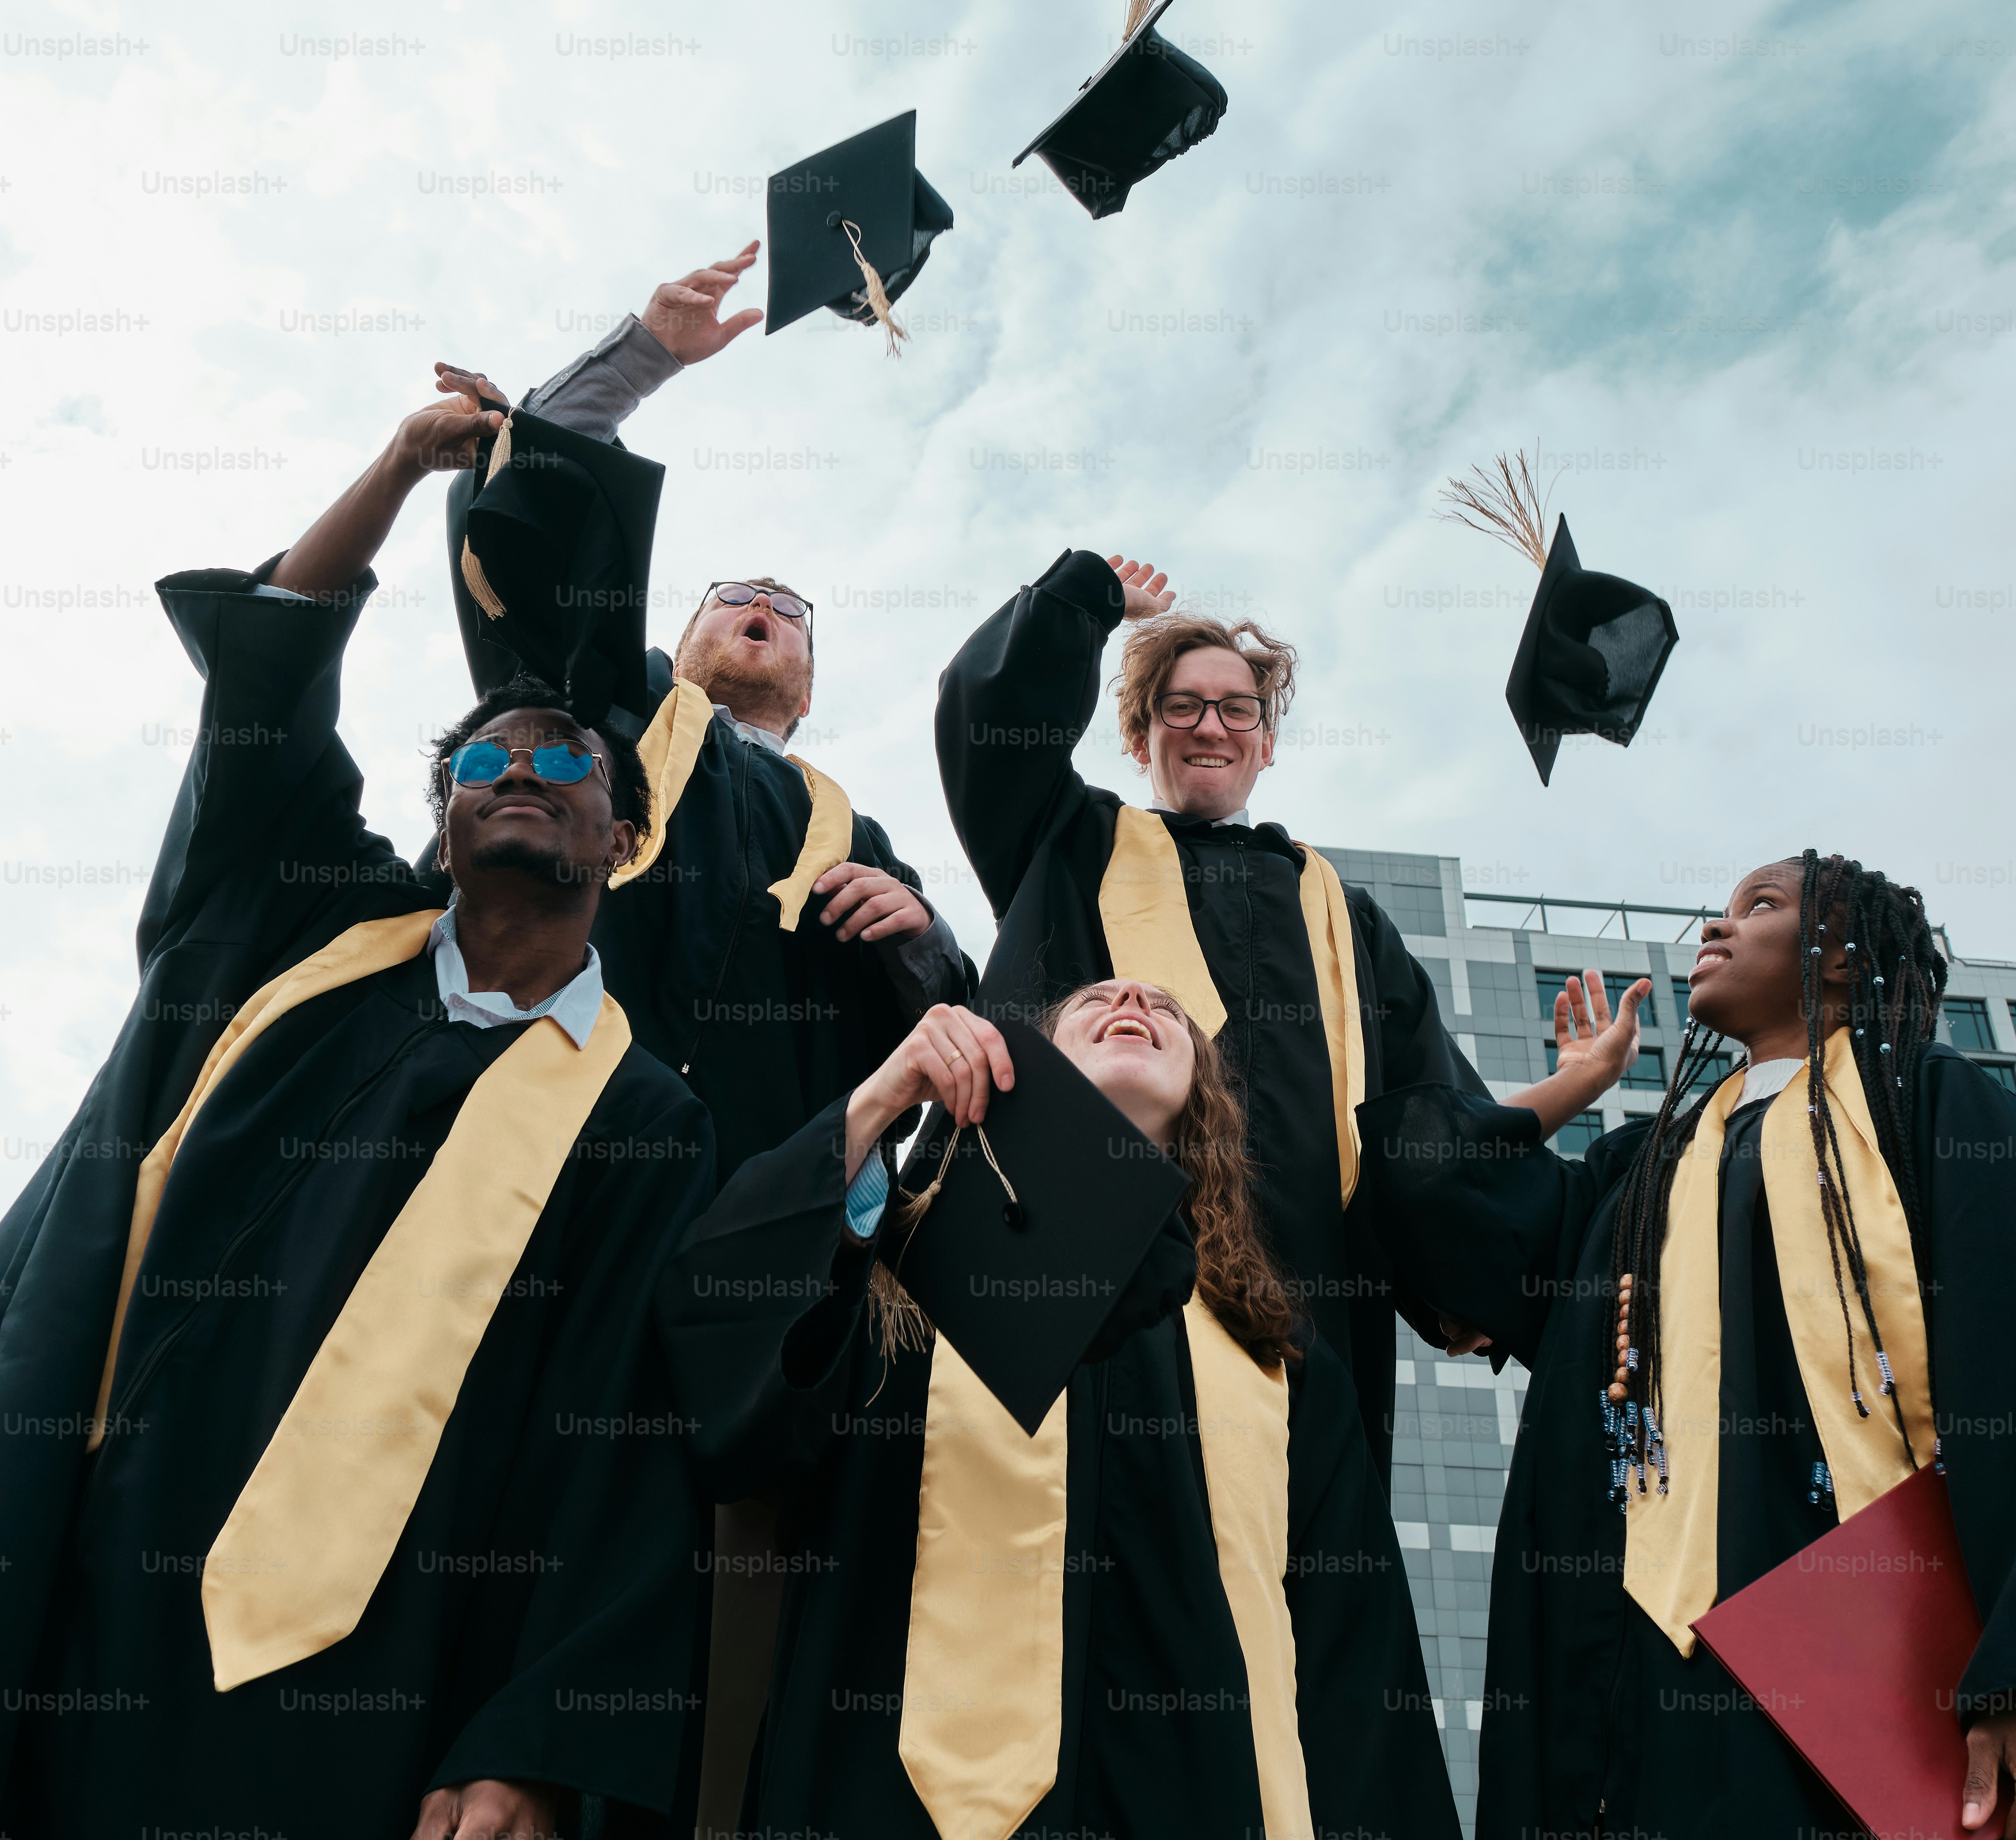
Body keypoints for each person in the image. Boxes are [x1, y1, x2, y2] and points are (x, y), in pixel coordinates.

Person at [0, 385, 718, 1840]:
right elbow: (267, 685)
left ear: (628, 833)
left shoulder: (645, 1116)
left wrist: (527, 1740)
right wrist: (397, 466)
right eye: (482, 759)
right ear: (444, 821)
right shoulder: (303, 932)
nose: (522, 766)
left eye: (566, 756)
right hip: (71, 1541)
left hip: (362, 1654)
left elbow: (611, 1440)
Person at [1359, 852, 2016, 1840]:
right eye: (1722, 910)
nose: (1716, 929)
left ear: (1838, 954)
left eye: (1759, 906)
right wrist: (1575, 1082)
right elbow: (1430, 1194)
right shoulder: (1639, 1173)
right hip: (1629, 1665)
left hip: (1880, 1654)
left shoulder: (1925, 1106)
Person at [430, 246, 977, 1829]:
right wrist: (636, 359)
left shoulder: (845, 820)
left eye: (793, 617)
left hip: (750, 1231)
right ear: (674, 639)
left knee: (714, 1581)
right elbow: (545, 545)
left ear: (809, 679)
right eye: (738, 599)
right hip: (548, 1157)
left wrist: (917, 934)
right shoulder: (606, 730)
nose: (766, 613)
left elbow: (957, 1024)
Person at [658, 979, 1459, 1840]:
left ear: (1206, 1102)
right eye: (1091, 1001)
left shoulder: (1279, 1358)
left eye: (1168, 1010)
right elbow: (730, 1391)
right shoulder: (898, 1285)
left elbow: (1354, 1672)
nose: (1133, 995)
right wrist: (874, 1108)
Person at [935, 550, 1482, 1478]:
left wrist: (1472, 1274)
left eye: (1238, 709)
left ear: (1266, 744)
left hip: (1309, 1290)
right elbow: (986, 723)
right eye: (1180, 706)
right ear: (1138, 736)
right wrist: (1082, 604)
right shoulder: (1067, 844)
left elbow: (1427, 1107)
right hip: (1093, 1273)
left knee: (1302, 1532)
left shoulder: (1341, 915)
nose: (1210, 726)